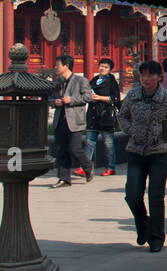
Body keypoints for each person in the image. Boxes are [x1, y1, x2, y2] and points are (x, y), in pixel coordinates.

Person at [119, 60, 167, 252]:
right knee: (132, 194)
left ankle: (156, 237)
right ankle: (143, 224)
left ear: (159, 77)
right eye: (142, 75)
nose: (145, 79)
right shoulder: (133, 95)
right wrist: (131, 129)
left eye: (149, 75)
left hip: (159, 152)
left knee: (156, 195)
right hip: (136, 151)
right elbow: (122, 116)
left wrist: (164, 136)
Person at [51, 54, 94, 188]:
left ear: (66, 66)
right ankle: (64, 179)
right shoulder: (57, 82)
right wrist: (54, 102)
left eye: (57, 65)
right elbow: (49, 98)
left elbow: (88, 97)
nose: (55, 68)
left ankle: (88, 166)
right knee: (61, 150)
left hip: (75, 120)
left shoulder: (80, 81)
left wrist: (71, 100)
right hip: (60, 120)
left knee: (74, 149)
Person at [83, 58, 120, 176]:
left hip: (105, 116)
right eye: (101, 66)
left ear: (110, 70)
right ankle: (85, 167)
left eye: (105, 67)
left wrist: (99, 98)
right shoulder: (94, 80)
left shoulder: (112, 82)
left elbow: (115, 99)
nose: (102, 69)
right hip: (93, 115)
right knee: (89, 142)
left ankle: (110, 167)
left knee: (108, 143)